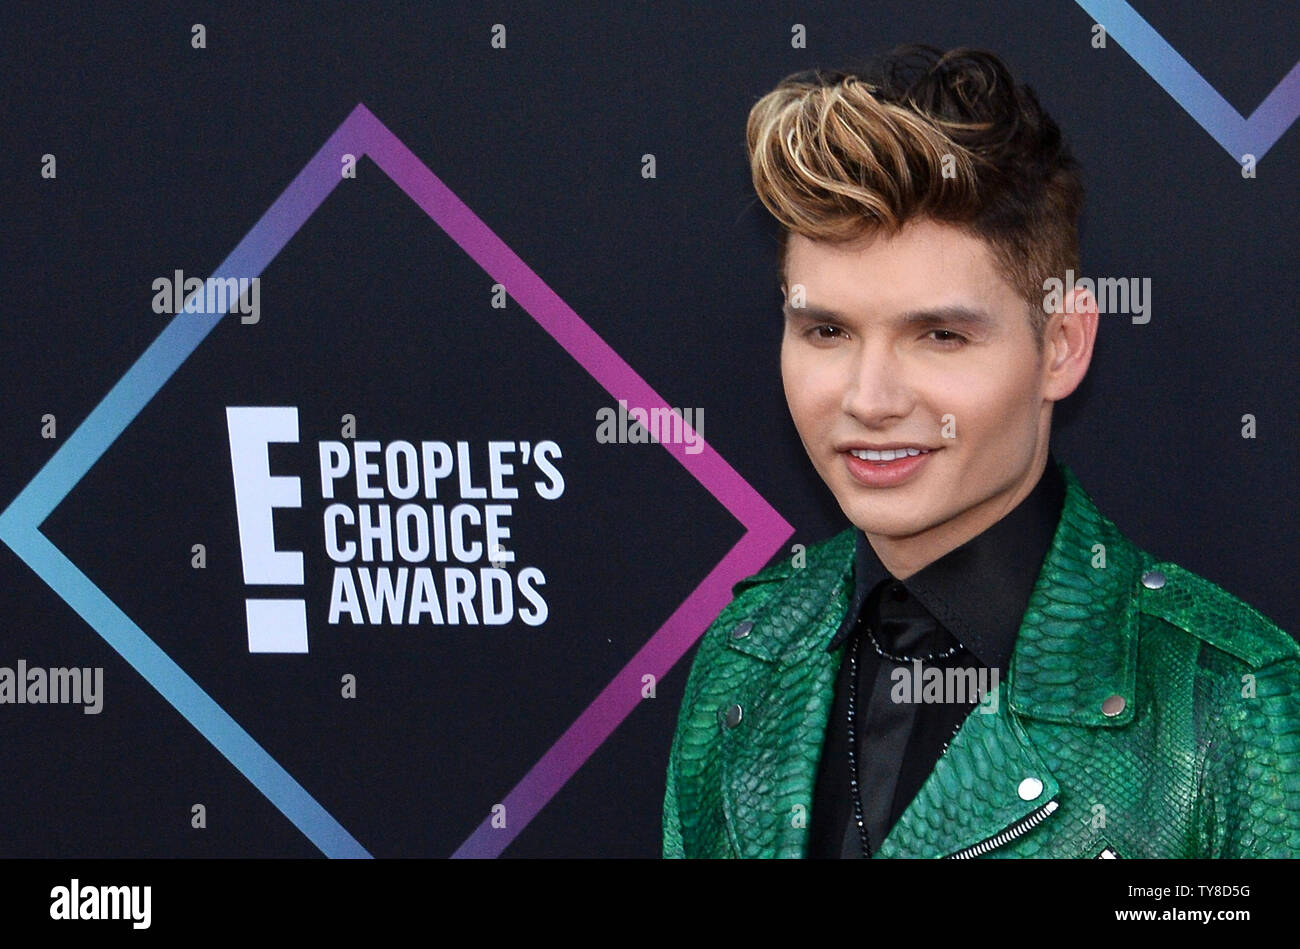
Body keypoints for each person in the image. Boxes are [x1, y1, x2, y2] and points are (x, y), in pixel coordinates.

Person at [662, 45, 1300, 858]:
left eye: (939, 335)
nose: (869, 399)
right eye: (826, 330)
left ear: (1063, 343)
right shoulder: (746, 655)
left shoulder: (1233, 706)